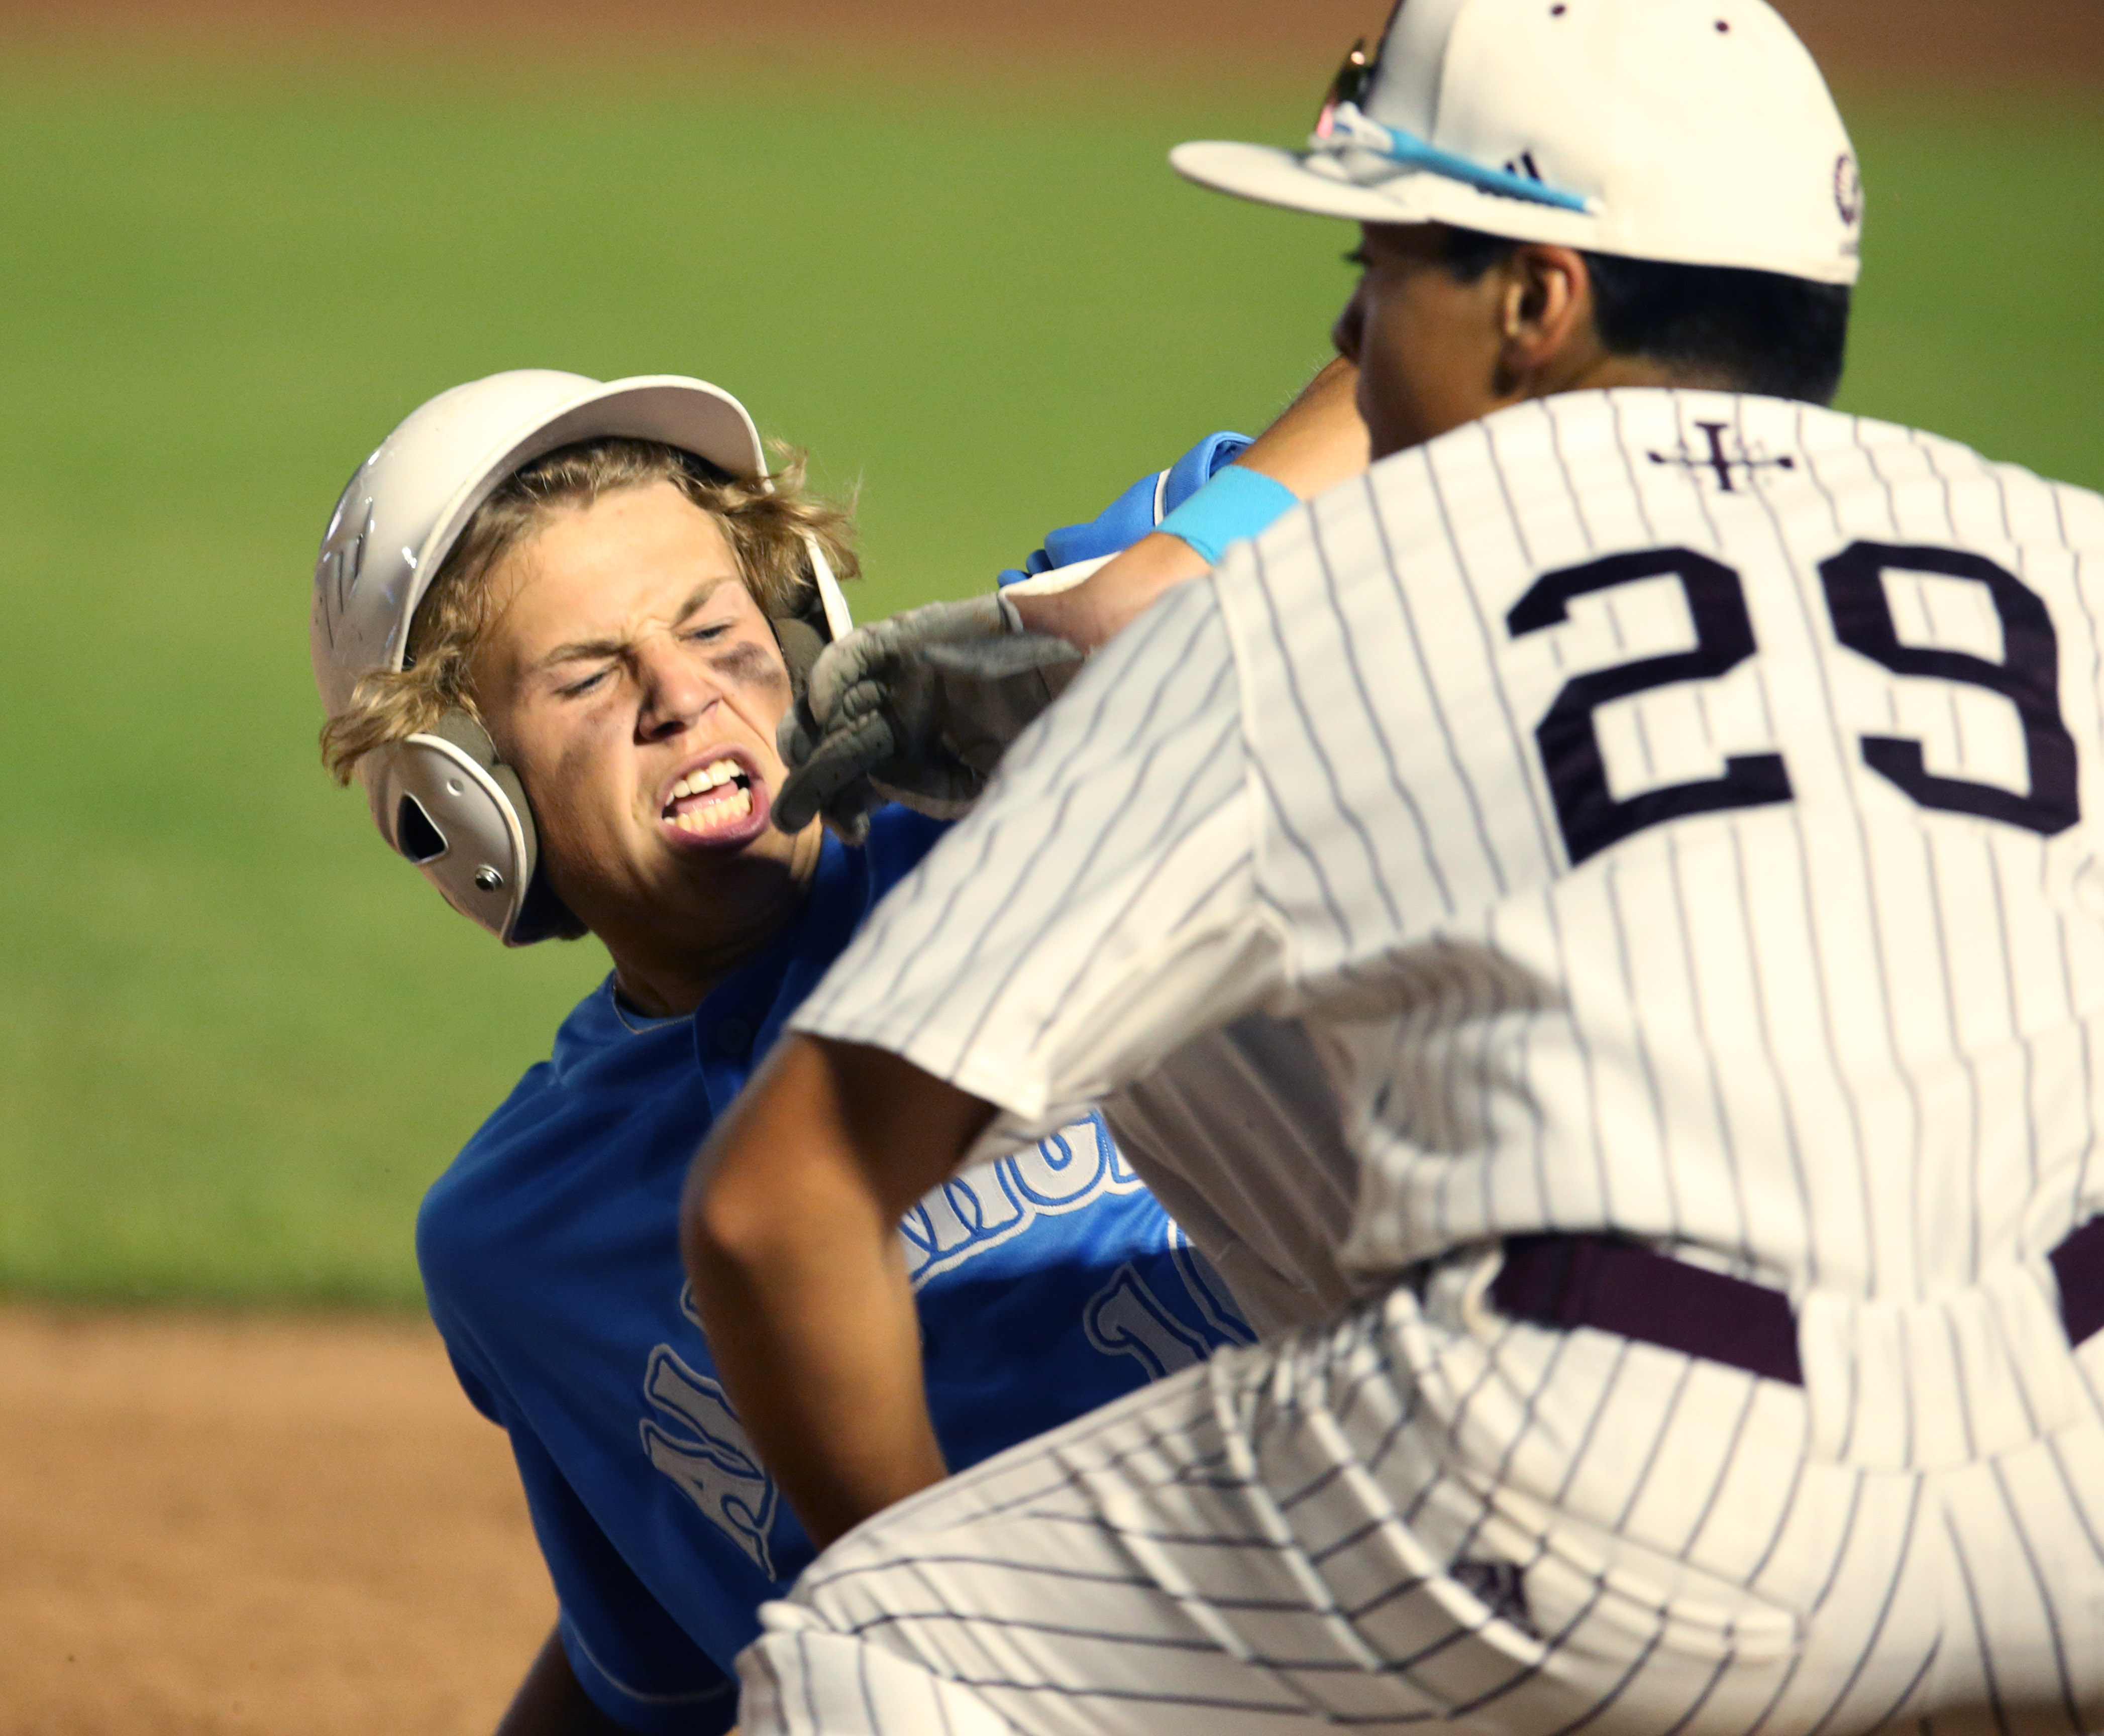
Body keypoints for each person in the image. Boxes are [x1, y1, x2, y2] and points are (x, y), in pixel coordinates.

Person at [682, 1, 2104, 1730]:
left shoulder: (1301, 609)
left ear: (1534, 301)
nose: (1349, 328)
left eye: (1381, 263)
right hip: (2074, 1484)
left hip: (1602, 1498)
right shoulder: (2066, 553)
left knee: (872, 1647)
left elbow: (776, 1211)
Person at [307, 367, 1362, 1733]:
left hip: (1408, 1554)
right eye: (585, 675)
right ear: (464, 801)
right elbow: (657, 1676)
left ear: (803, 630)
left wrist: (1147, 587)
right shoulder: (516, 1242)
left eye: (714, 626)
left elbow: (1421, 376)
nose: (682, 695)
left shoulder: (1030, 742)